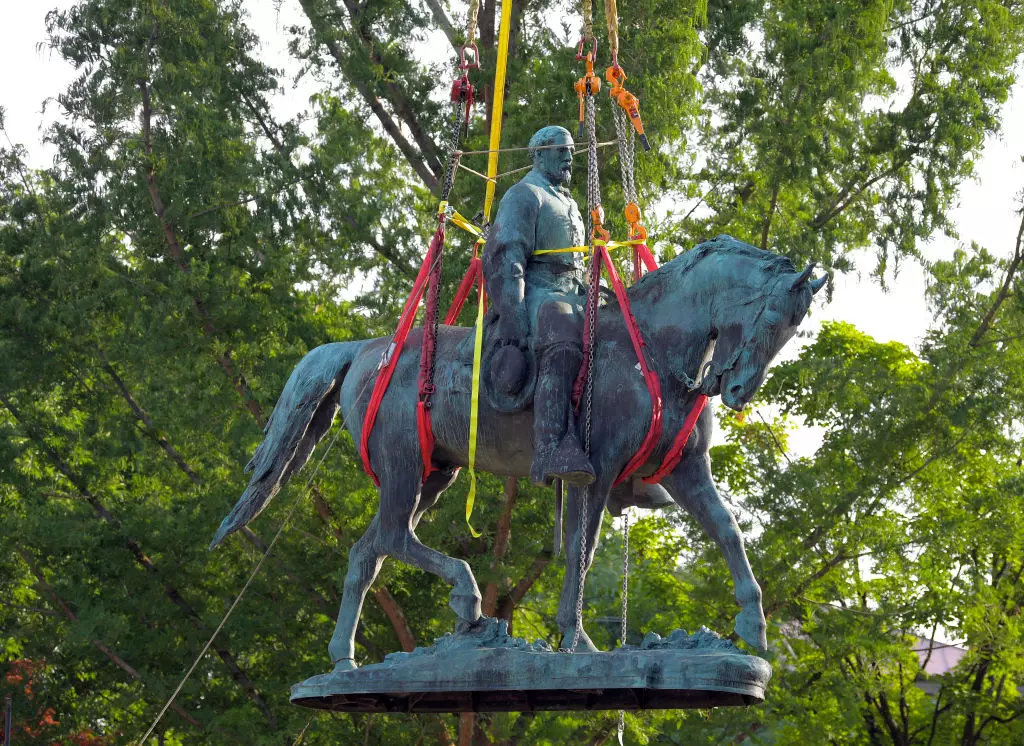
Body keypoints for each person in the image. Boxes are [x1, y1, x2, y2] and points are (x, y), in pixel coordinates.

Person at [483, 125, 594, 487]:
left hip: (573, 290)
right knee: (561, 331)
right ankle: (550, 448)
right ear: (539, 152)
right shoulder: (525, 194)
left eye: (572, 152)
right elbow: (506, 256)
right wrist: (512, 313)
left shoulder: (568, 202)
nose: (569, 157)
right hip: (538, 292)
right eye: (562, 150)